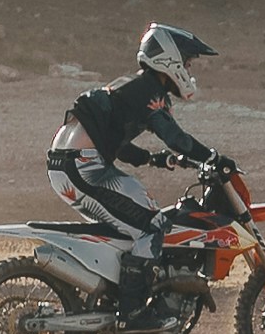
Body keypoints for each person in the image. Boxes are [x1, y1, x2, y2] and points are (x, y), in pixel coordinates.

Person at [48, 24, 224, 286]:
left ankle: (108, 295)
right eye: (187, 63)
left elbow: (114, 140)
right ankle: (133, 312)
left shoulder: (131, 85)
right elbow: (176, 138)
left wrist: (152, 158)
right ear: (170, 59)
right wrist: (213, 158)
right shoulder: (150, 91)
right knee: (154, 225)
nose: (188, 71)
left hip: (67, 166)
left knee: (124, 233)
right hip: (85, 167)